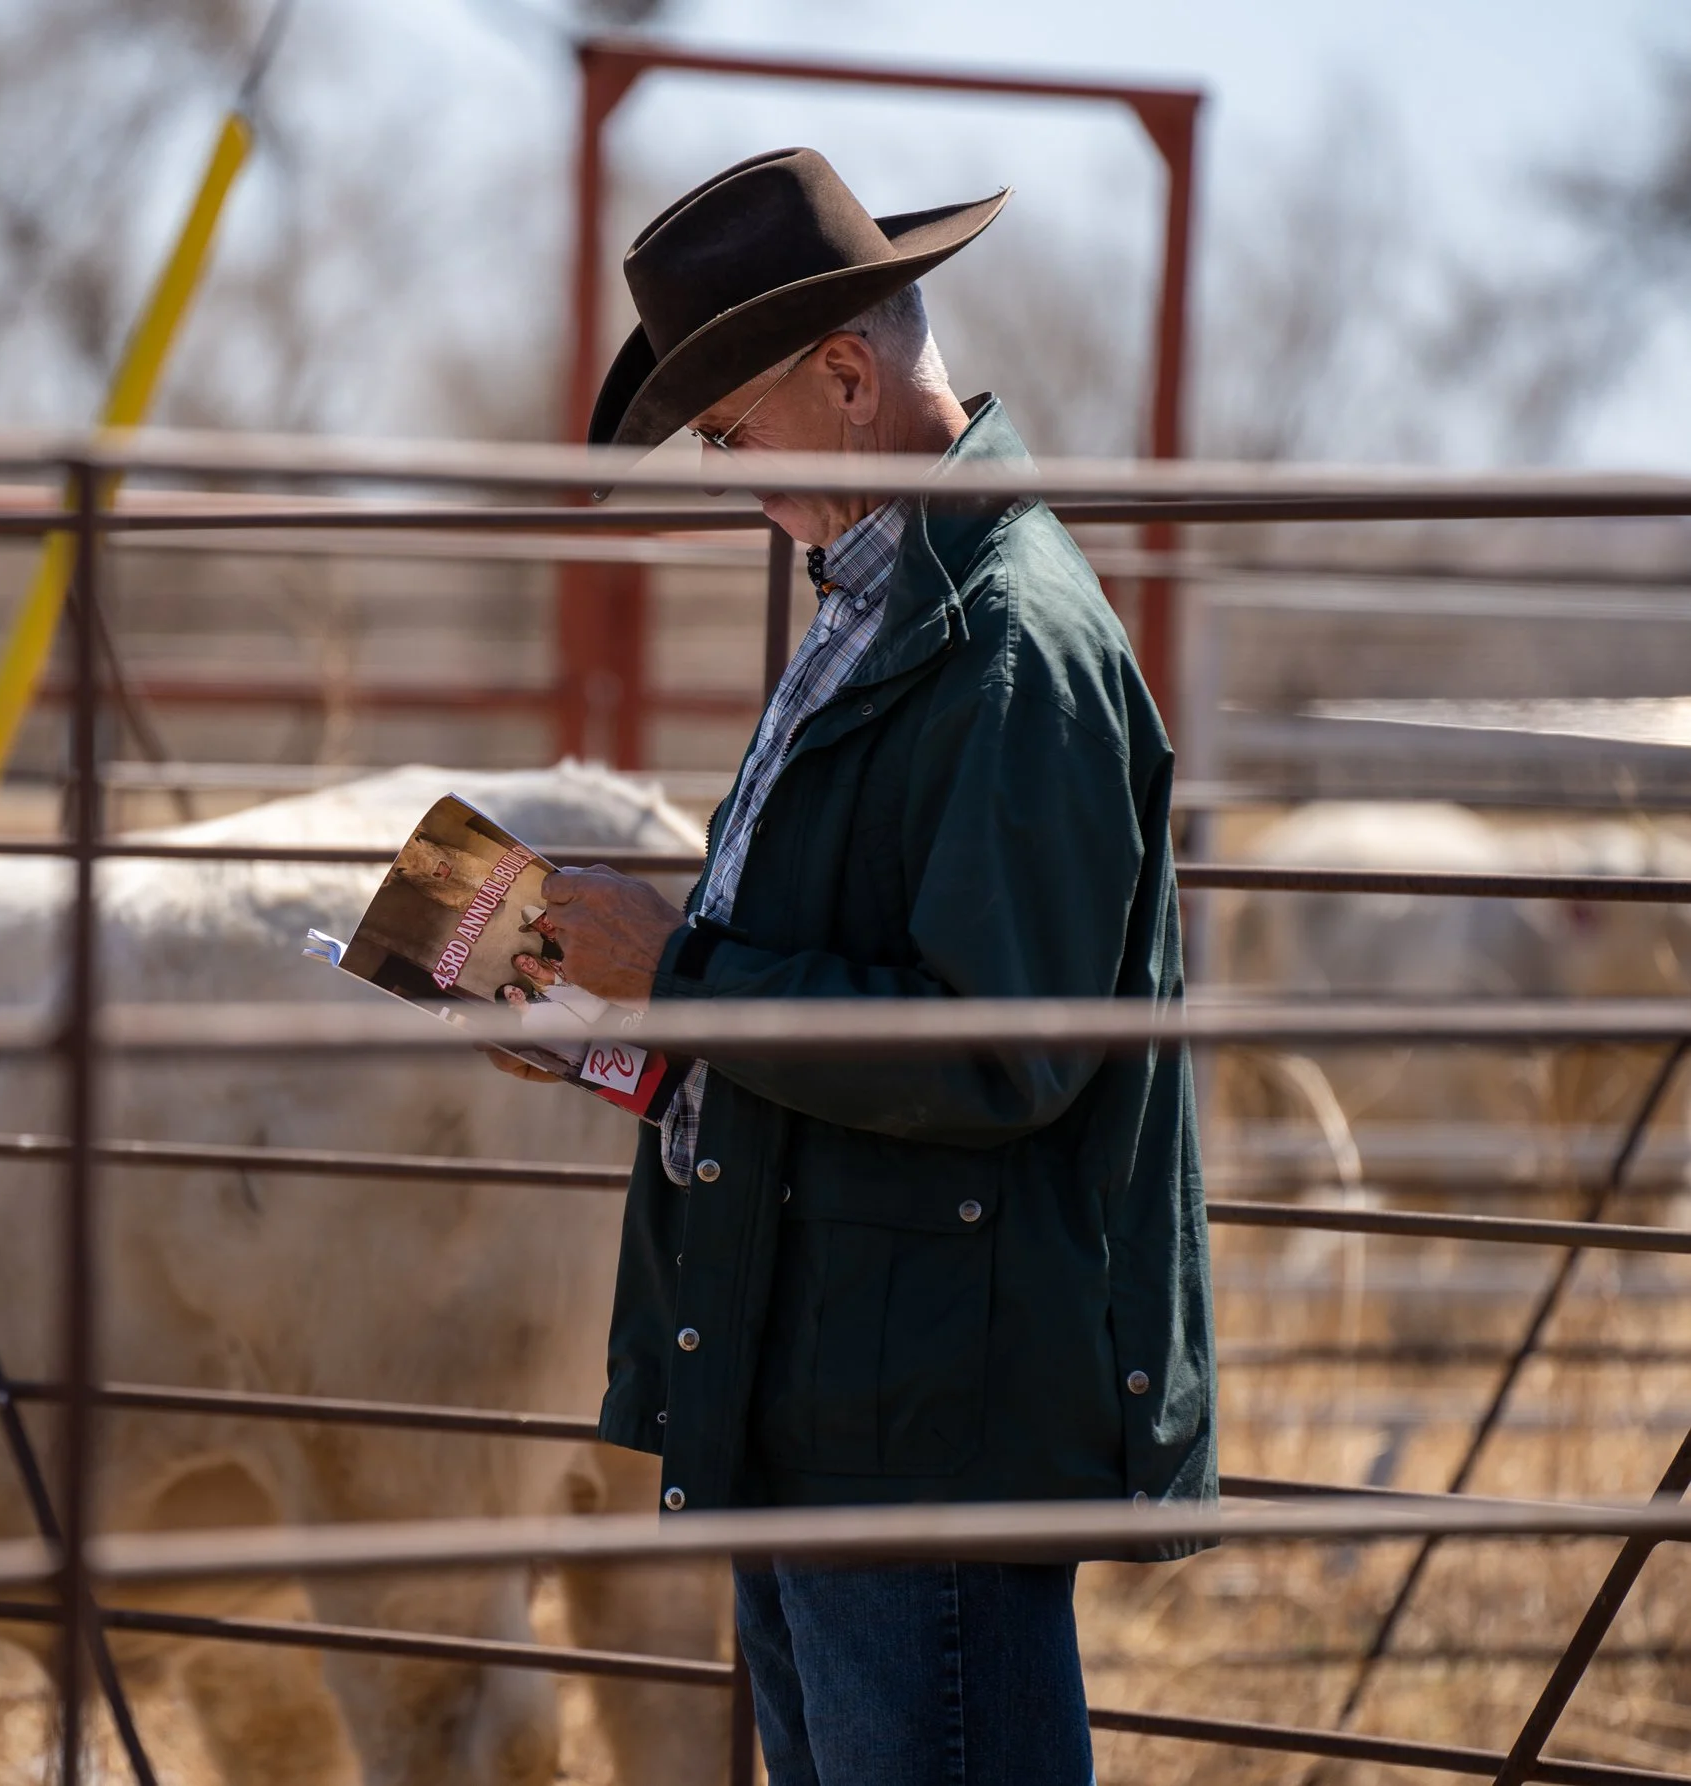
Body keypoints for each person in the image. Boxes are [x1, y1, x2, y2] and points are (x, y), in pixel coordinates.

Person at [497, 147, 1214, 1786]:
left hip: (916, 1402)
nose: (737, 480)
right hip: (841, 1365)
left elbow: (998, 1049)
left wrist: (677, 981)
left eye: (736, 433)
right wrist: (628, 1037)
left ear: (844, 376)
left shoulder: (1008, 641)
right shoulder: (894, 604)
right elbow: (847, 980)